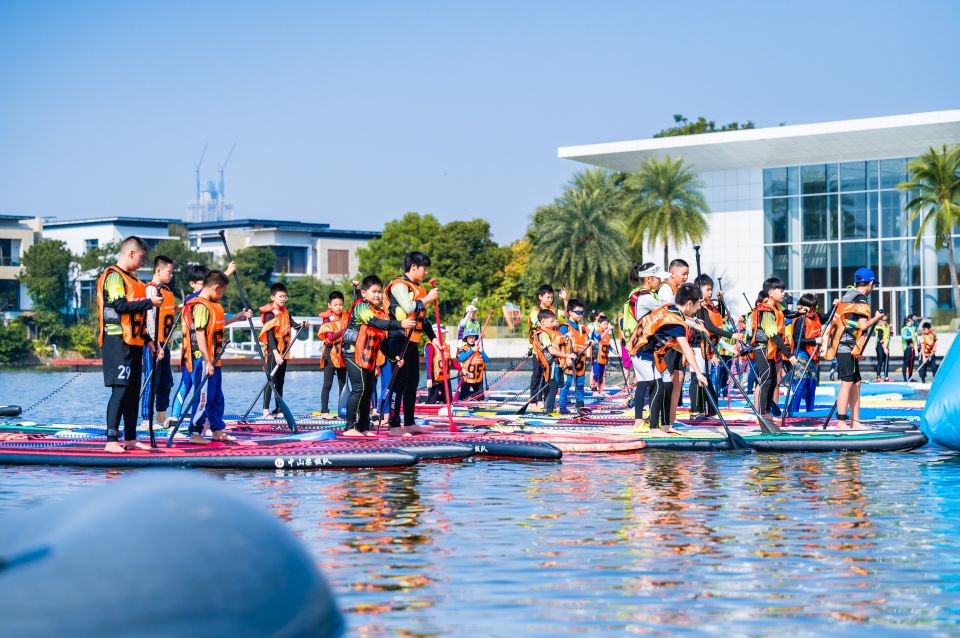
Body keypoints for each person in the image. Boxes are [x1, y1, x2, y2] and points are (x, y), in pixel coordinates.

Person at [97, 236, 162, 453]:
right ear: (131, 253)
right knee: (121, 390)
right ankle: (111, 440)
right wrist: (149, 303)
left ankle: (131, 438)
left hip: (134, 342)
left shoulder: (134, 279)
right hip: (116, 342)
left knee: (134, 392)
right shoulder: (114, 277)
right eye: (141, 258)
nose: (142, 263)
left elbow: (136, 319)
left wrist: (149, 341)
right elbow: (120, 306)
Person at [627, 282, 710, 434]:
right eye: (698, 304)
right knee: (657, 385)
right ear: (690, 303)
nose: (699, 308)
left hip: (654, 353)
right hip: (641, 352)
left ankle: (665, 425)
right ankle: (653, 428)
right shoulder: (676, 322)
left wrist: (693, 325)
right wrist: (698, 373)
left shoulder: (671, 308)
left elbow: (676, 339)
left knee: (667, 384)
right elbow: (685, 347)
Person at [183, 270, 252, 444]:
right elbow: (199, 334)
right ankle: (195, 433)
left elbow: (219, 322)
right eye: (223, 292)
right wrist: (207, 361)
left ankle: (217, 430)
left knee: (216, 397)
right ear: (216, 288)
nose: (222, 295)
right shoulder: (200, 305)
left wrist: (237, 318)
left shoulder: (215, 306)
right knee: (203, 397)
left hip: (215, 360)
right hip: (203, 360)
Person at [341, 275, 414, 437]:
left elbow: (382, 342)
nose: (377, 295)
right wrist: (400, 324)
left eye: (380, 292)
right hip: (352, 353)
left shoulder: (381, 312)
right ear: (364, 293)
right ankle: (349, 428)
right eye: (373, 292)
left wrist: (393, 356)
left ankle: (363, 427)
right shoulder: (361, 308)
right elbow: (376, 324)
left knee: (367, 392)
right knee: (359, 389)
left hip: (367, 356)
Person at [169, 261, 235, 422]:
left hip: (209, 355)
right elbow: (212, 285)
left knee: (211, 391)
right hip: (193, 353)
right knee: (186, 385)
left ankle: (210, 424)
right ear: (192, 284)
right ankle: (174, 418)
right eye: (201, 283)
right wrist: (227, 272)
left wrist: (236, 317)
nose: (204, 285)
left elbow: (216, 320)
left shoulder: (208, 302)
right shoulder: (193, 298)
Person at [384, 251, 439, 434]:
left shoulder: (420, 289)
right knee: (398, 383)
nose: (426, 272)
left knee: (413, 382)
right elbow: (408, 307)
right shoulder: (399, 285)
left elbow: (423, 319)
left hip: (412, 341)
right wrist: (428, 298)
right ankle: (393, 425)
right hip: (397, 340)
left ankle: (409, 422)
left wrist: (433, 338)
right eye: (424, 268)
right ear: (413, 267)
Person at [822, 268, 883, 430]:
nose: (873, 288)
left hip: (848, 348)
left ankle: (856, 422)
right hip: (845, 348)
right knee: (847, 383)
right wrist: (877, 318)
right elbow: (863, 325)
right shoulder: (861, 299)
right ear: (870, 283)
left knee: (856, 383)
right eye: (873, 285)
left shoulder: (847, 295)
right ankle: (841, 422)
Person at [689, 274, 743, 418]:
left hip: (707, 346)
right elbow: (709, 326)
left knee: (704, 377)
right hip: (697, 345)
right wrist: (731, 335)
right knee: (697, 377)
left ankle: (708, 409)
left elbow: (721, 317)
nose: (710, 292)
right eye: (707, 289)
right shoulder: (698, 306)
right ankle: (695, 410)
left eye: (711, 289)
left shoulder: (709, 306)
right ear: (699, 289)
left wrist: (720, 301)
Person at [749, 278, 798, 425]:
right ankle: (761, 414)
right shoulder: (766, 310)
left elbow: (788, 314)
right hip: (762, 348)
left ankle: (767, 412)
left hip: (771, 350)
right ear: (770, 293)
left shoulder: (777, 307)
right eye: (780, 291)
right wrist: (789, 355)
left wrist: (801, 313)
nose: (783, 293)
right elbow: (773, 335)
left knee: (774, 380)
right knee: (766, 381)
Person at [623, 262, 666, 430]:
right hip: (640, 346)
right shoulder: (645, 297)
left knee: (642, 383)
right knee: (656, 384)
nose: (661, 280)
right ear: (649, 279)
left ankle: (639, 421)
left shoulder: (640, 293)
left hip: (638, 345)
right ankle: (650, 425)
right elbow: (667, 311)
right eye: (658, 278)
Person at [258, 283, 306, 418]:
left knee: (280, 381)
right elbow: (270, 337)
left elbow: (295, 326)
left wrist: (303, 324)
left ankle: (278, 410)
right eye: (280, 296)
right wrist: (276, 354)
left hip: (284, 352)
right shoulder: (270, 315)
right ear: (273, 297)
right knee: (271, 380)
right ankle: (265, 410)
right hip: (274, 352)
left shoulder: (285, 312)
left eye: (285, 296)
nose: (283, 299)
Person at [140, 255, 176, 429]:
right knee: (151, 379)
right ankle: (146, 419)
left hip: (165, 342)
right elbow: (149, 320)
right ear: (158, 270)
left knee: (166, 381)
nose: (171, 275)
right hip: (153, 345)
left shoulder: (167, 291)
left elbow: (166, 313)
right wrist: (157, 346)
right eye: (169, 271)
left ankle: (161, 418)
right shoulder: (151, 290)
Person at [657, 259, 690, 413]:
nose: (686, 278)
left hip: (676, 339)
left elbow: (680, 313)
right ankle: (662, 416)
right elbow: (671, 314)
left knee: (679, 378)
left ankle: (670, 418)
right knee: (670, 379)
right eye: (683, 274)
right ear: (672, 273)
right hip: (667, 340)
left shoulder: (676, 290)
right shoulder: (665, 289)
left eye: (687, 274)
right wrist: (692, 321)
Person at [527, 284, 566, 406]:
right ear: (540, 297)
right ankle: (534, 401)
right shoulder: (535, 312)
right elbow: (540, 324)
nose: (550, 300)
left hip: (550, 349)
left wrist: (564, 300)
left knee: (548, 375)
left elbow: (565, 314)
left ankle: (546, 401)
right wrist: (553, 323)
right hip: (538, 349)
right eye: (547, 297)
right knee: (537, 375)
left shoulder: (553, 310)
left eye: (551, 298)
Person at [531, 309, 575, 413]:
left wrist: (566, 337)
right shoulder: (543, 334)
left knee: (554, 387)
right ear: (543, 322)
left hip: (556, 365)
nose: (554, 322)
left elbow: (557, 341)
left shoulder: (552, 332)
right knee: (553, 387)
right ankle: (549, 411)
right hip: (550, 366)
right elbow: (551, 350)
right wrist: (567, 355)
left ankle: (549, 408)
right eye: (551, 321)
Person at [788, 293, 823, 414]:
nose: (812, 312)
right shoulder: (800, 320)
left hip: (813, 355)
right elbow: (797, 339)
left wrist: (835, 305)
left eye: (814, 309)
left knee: (811, 385)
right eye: (809, 309)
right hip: (801, 353)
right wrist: (814, 341)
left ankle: (810, 411)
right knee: (801, 383)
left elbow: (828, 316)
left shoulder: (817, 316)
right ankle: (794, 411)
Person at [558, 298, 592, 414]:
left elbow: (585, 340)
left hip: (580, 362)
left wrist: (590, 342)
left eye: (582, 312)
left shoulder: (583, 328)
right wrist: (565, 337)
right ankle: (562, 407)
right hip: (569, 361)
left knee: (580, 384)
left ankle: (580, 405)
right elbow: (558, 341)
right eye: (578, 312)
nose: (580, 315)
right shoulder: (565, 327)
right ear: (570, 312)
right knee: (566, 384)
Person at [318, 290, 347, 419]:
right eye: (335, 305)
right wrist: (343, 330)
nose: (339, 307)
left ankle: (343, 409)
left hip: (342, 354)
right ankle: (324, 411)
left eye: (341, 304)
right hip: (330, 354)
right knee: (327, 384)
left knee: (343, 383)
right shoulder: (327, 319)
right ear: (330, 305)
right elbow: (330, 337)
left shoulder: (346, 316)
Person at [426, 328, 459, 404]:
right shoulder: (430, 346)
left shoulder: (446, 346)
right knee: (432, 401)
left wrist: (461, 369)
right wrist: (429, 379)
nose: (442, 335)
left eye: (443, 333)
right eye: (440, 333)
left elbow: (449, 361)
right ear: (434, 333)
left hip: (445, 379)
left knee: (449, 401)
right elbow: (429, 363)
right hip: (435, 378)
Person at [457, 327, 489, 400]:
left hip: (478, 379)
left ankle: (477, 405)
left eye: (473, 337)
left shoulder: (479, 349)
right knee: (463, 397)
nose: (471, 339)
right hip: (466, 378)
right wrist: (472, 350)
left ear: (475, 338)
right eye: (469, 337)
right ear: (466, 339)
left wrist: (482, 352)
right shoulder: (464, 349)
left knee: (480, 398)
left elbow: (487, 360)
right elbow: (461, 358)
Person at [589, 315, 613, 394]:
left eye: (607, 324)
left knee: (602, 375)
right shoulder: (596, 332)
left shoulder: (607, 335)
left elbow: (608, 345)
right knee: (596, 373)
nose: (606, 326)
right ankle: (594, 389)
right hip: (597, 356)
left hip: (604, 357)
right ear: (599, 324)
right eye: (604, 324)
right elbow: (599, 338)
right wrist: (608, 330)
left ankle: (601, 390)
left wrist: (615, 352)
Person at [875, 311, 891, 381]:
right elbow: (880, 338)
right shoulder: (879, 327)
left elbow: (889, 335)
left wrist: (891, 329)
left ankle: (886, 377)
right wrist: (884, 348)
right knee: (880, 361)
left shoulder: (887, 326)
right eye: (884, 320)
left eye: (886, 320)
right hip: (880, 346)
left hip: (886, 346)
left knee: (886, 361)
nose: (885, 321)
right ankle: (878, 377)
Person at [900, 314, 917, 382]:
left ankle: (910, 377)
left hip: (912, 348)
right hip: (907, 348)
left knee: (911, 363)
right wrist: (913, 336)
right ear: (909, 320)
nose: (913, 321)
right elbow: (904, 337)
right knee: (906, 363)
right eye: (912, 320)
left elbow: (914, 337)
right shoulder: (905, 328)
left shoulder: (912, 327)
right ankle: (904, 378)